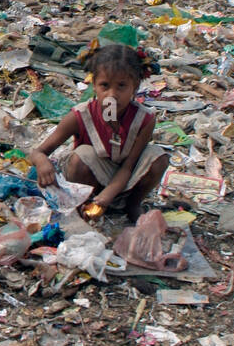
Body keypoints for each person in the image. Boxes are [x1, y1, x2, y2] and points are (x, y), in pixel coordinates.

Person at [28, 44, 170, 222]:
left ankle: (132, 205)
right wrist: (42, 162)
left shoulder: (144, 119)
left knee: (158, 157)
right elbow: (37, 152)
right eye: (105, 85)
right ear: (94, 85)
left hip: (123, 178)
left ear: (135, 87)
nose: (112, 94)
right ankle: (83, 206)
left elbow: (129, 166)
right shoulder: (80, 115)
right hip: (89, 179)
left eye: (121, 86)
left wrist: (108, 195)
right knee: (81, 156)